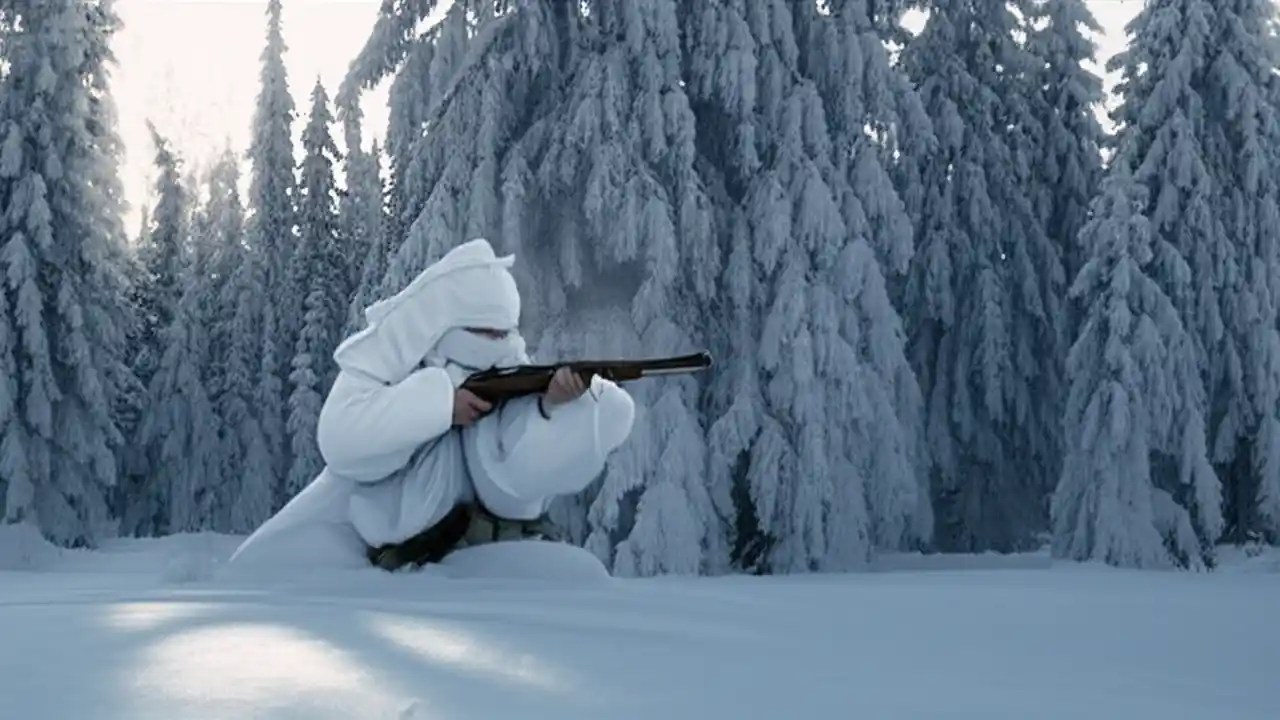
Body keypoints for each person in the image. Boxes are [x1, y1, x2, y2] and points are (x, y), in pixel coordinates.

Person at [227, 238, 635, 572]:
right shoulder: (391, 368)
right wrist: (441, 407)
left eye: (505, 333)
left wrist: (550, 407)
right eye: (486, 333)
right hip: (379, 555)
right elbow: (340, 438)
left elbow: (516, 473)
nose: (501, 345)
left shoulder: (507, 370)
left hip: (471, 553)